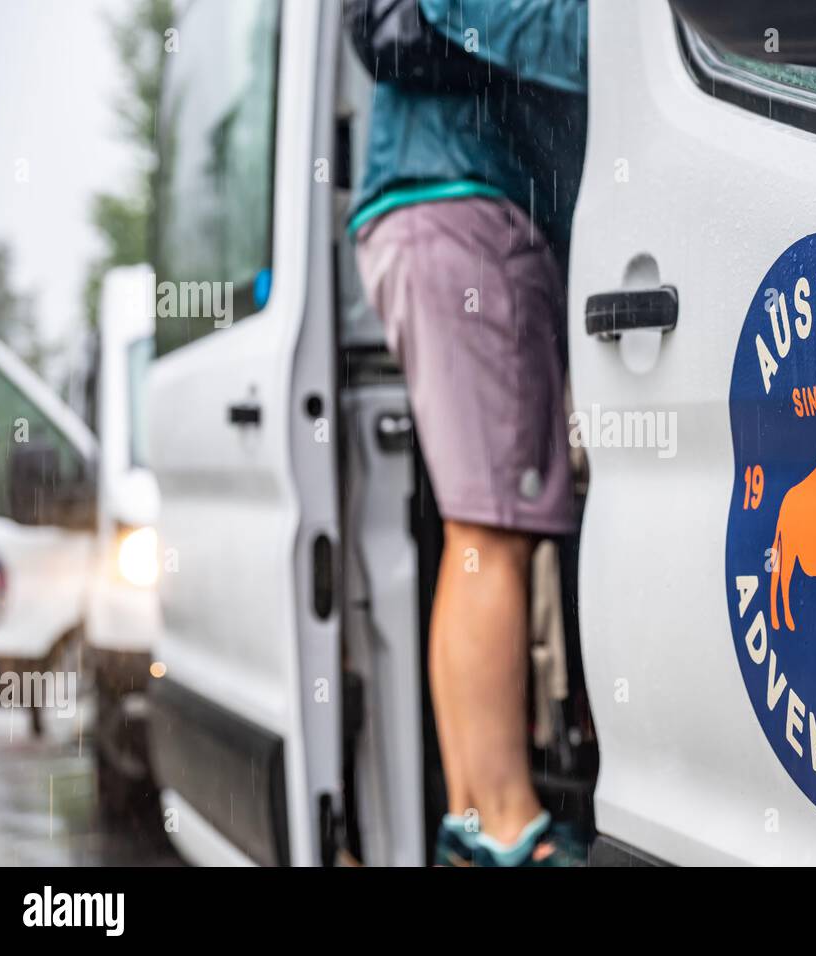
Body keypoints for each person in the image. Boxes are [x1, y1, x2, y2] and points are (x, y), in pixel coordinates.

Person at [345, 0, 588, 866]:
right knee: (493, 530)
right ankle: (509, 824)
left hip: (434, 203)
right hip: (463, 205)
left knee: (476, 533)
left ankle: (476, 819)